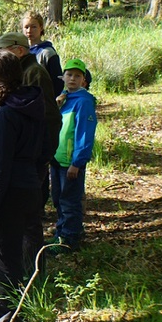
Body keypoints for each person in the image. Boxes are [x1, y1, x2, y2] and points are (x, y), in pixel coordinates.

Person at [0, 31, 61, 276]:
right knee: (23, 222)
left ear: (19, 49)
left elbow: (48, 118)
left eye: (3, 50)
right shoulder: (21, 73)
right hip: (26, 161)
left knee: (30, 223)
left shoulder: (33, 73)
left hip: (31, 162)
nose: (0, 55)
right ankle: (24, 271)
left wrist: (41, 158)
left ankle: (33, 276)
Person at [0, 51, 47, 292]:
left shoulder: (6, 114)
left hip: (7, 195)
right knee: (30, 258)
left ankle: (12, 318)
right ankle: (33, 304)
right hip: (30, 187)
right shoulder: (34, 105)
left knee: (6, 265)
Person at [50, 59, 97, 253]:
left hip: (71, 162)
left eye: (77, 76)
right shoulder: (64, 99)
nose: (72, 79)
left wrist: (77, 162)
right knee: (58, 199)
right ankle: (63, 232)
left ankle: (69, 240)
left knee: (70, 200)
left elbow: (85, 134)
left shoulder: (84, 101)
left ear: (84, 80)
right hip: (57, 159)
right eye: (69, 75)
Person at [21, 11, 63, 97]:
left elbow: (58, 83)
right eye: (26, 27)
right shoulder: (20, 51)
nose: (29, 30)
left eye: (34, 27)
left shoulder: (47, 53)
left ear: (41, 28)